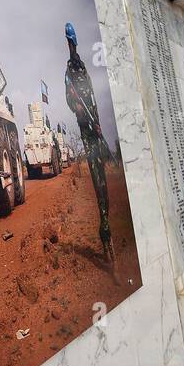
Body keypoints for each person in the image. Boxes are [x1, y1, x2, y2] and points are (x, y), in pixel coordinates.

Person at [64, 21, 113, 262]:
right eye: (69, 41)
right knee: (96, 177)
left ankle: (107, 222)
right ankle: (105, 228)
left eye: (73, 41)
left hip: (95, 127)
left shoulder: (82, 67)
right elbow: (71, 101)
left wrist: (98, 122)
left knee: (103, 180)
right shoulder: (69, 73)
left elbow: (92, 96)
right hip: (86, 131)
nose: (72, 45)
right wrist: (78, 107)